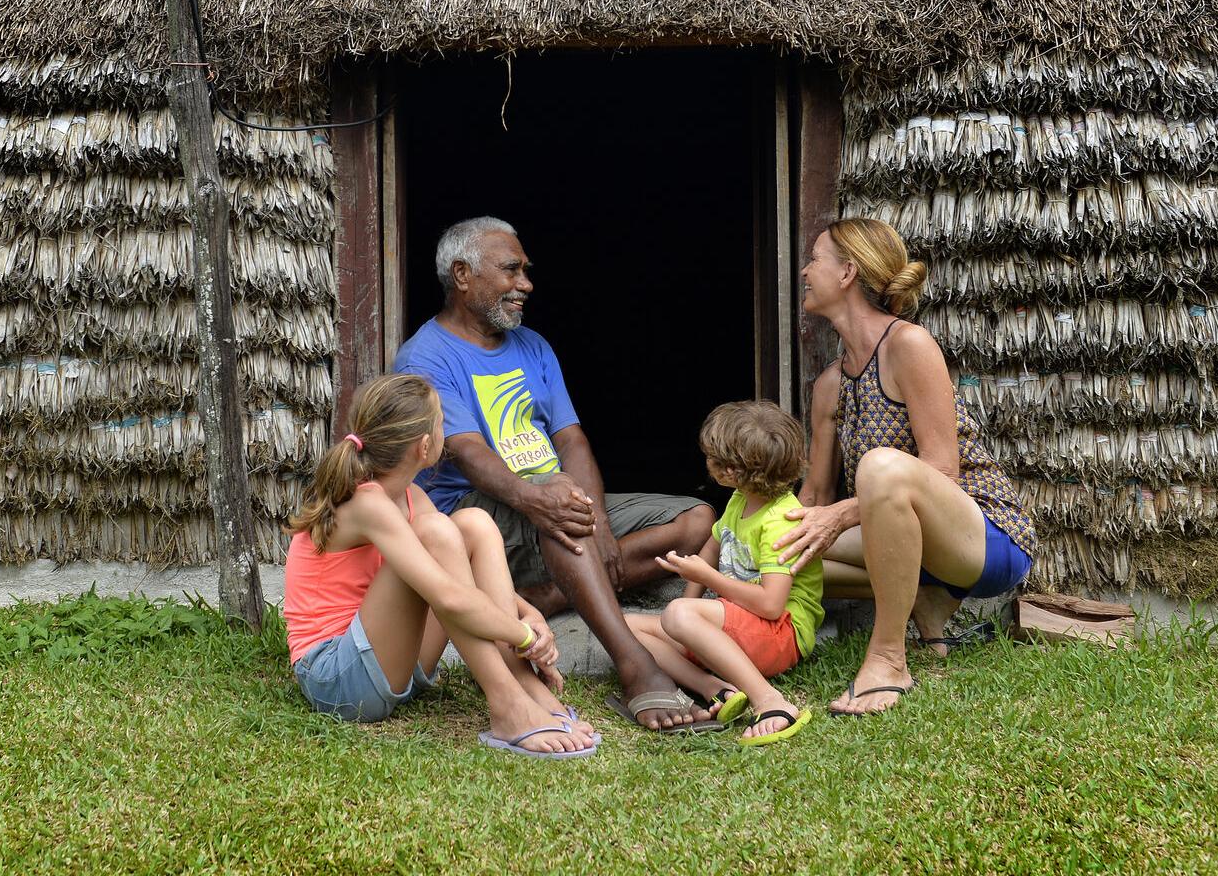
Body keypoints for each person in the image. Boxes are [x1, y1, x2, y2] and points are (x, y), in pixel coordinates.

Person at [393, 216, 720, 732]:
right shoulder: (426, 356)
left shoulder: (533, 346)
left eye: (525, 271)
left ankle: (555, 591)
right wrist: (541, 499)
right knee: (561, 506)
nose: (526, 284)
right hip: (479, 518)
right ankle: (636, 665)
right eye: (511, 270)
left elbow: (570, 438)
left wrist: (603, 527)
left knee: (697, 521)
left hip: (555, 504)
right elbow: (468, 454)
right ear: (461, 274)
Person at [774, 218, 1038, 716]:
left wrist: (840, 515)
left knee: (881, 468)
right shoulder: (830, 385)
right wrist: (753, 543)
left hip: (984, 537)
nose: (805, 271)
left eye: (814, 259)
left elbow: (941, 471)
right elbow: (812, 496)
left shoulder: (908, 346)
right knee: (783, 551)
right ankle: (924, 601)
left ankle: (889, 659)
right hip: (913, 541)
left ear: (848, 272)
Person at [283, 373, 598, 758]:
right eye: (442, 422)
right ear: (425, 445)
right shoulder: (367, 503)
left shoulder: (411, 495)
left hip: (393, 664)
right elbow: (448, 597)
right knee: (437, 533)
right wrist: (523, 637)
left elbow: (457, 579)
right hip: (336, 679)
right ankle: (507, 706)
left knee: (473, 525)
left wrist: (529, 615)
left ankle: (521, 683)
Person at [624, 401, 823, 744]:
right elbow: (712, 549)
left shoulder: (780, 521)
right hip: (740, 627)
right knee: (627, 626)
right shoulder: (739, 500)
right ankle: (716, 689)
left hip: (781, 633)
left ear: (731, 471)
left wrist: (703, 584)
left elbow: (772, 605)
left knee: (678, 615)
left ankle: (770, 700)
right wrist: (688, 604)